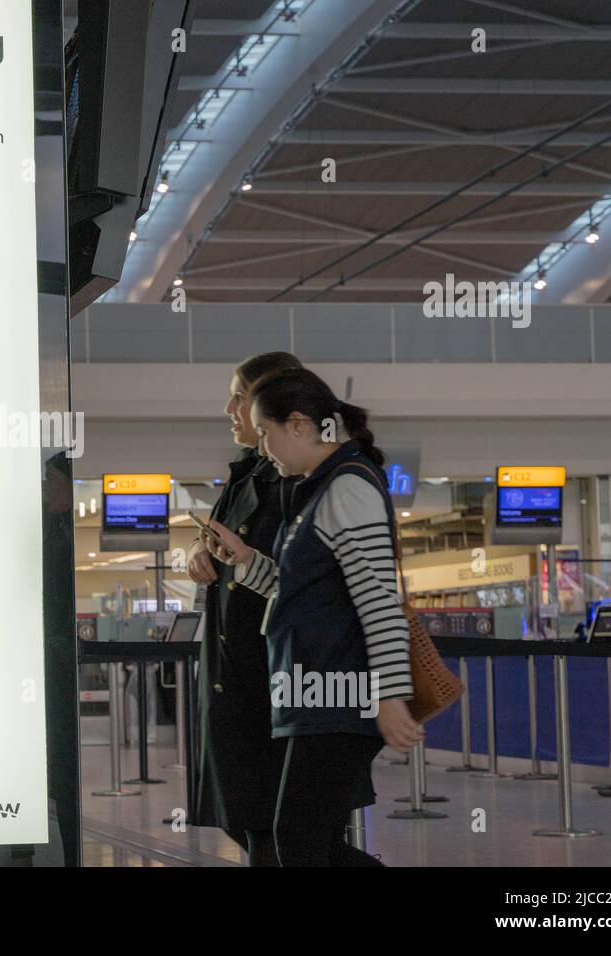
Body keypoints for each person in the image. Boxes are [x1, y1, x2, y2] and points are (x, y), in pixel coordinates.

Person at [203, 367, 423, 866]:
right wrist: (247, 562)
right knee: (310, 843)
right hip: (312, 695)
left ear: (299, 425)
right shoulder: (317, 491)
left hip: (338, 698)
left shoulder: (348, 489)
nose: (262, 448)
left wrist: (390, 696)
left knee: (298, 841)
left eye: (266, 434)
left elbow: (377, 601)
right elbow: (300, 592)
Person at [188, 351, 302, 866]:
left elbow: (317, 585)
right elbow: (225, 544)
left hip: (275, 678)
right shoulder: (244, 476)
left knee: (279, 828)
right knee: (246, 818)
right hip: (235, 679)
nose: (229, 407)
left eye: (240, 395)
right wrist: (200, 552)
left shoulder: (302, 482)